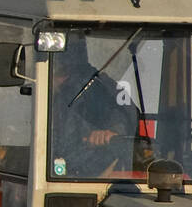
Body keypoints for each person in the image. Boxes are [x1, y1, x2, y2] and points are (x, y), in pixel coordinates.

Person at [48, 37, 139, 177]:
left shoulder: (99, 88)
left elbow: (124, 119)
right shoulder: (49, 93)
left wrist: (111, 133)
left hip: (91, 172)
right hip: (58, 165)